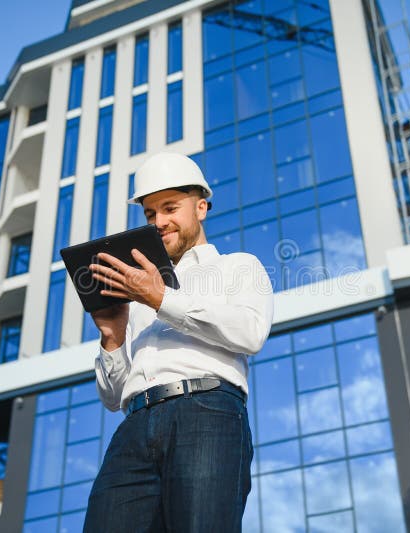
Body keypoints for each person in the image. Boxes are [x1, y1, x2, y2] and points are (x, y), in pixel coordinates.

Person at [83, 152, 273, 532]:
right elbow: (112, 397)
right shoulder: (134, 294)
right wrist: (112, 335)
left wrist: (160, 299)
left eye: (170, 208)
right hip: (135, 424)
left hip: (206, 413)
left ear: (201, 207)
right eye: (150, 214)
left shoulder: (238, 266)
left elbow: (250, 333)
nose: (159, 222)